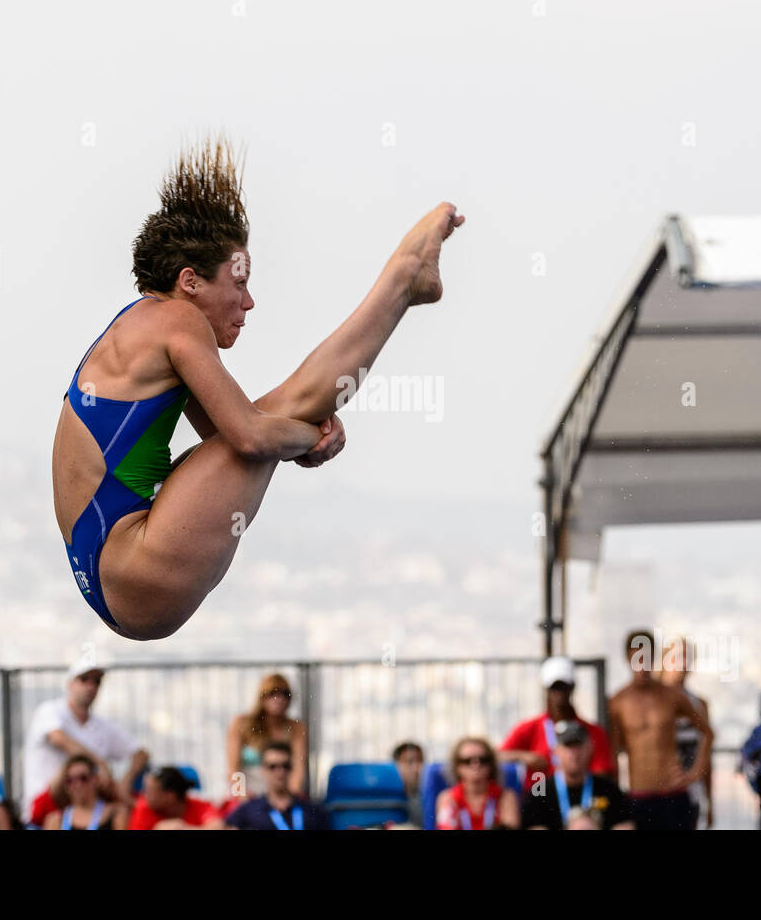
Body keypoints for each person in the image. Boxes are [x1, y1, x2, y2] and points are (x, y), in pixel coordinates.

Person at [51, 134, 466, 641]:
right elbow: (251, 437)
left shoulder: (143, 324)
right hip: (136, 571)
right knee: (289, 406)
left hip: (114, 576)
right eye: (240, 283)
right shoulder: (179, 321)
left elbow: (233, 436)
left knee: (284, 411)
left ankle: (406, 278)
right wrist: (307, 440)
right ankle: (404, 278)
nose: (249, 303)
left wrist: (290, 438)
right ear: (191, 282)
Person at [21, 656, 148, 826]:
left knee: (137, 807)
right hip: (50, 805)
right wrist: (100, 764)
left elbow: (141, 753)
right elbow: (59, 739)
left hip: (90, 808)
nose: (91, 686)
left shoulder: (103, 726)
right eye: (84, 679)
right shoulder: (50, 711)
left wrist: (126, 781)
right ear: (70, 683)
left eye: (97, 682)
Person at [609, 629, 713, 830]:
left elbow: (707, 733)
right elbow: (614, 751)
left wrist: (694, 773)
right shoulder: (618, 702)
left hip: (674, 793)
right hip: (639, 795)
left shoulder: (671, 696)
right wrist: (617, 796)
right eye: (636, 659)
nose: (642, 666)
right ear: (628, 659)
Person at [499, 655, 614, 791]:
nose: (559, 693)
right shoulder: (529, 728)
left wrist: (575, 769)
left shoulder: (593, 732)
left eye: (563, 687)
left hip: (577, 800)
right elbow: (496, 755)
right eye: (554, 687)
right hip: (539, 799)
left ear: (572, 687)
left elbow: (602, 773)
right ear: (545, 689)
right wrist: (525, 757)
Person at [521, 720, 635, 830]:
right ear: (556, 751)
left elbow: (625, 825)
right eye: (568, 746)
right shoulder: (539, 792)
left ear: (590, 748)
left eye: (578, 745)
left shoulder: (609, 789)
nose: (574, 753)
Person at [226, 673, 308, 798]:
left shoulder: (296, 727)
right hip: (247, 796)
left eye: (285, 694)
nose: (279, 699)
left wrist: (288, 798)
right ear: (262, 697)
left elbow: (298, 769)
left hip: (282, 796)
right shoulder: (241, 723)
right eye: (273, 693)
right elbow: (233, 767)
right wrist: (241, 795)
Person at [661, 637, 714, 829]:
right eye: (677, 657)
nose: (683, 663)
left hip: (690, 792)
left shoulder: (699, 704)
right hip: (656, 790)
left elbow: (707, 752)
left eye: (687, 657)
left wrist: (709, 800)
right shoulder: (653, 700)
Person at [225, 742, 330, 830]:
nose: (280, 772)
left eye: (285, 766)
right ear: (263, 770)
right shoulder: (249, 810)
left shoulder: (312, 809)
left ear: (292, 768)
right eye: (272, 766)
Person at [435, 737, 520, 831]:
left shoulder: (506, 797)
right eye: (467, 761)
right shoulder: (448, 798)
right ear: (457, 766)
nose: (476, 765)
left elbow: (510, 827)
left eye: (482, 760)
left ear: (491, 765)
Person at [43, 755, 129, 830]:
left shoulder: (116, 813)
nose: (77, 785)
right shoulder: (55, 820)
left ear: (96, 779)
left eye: (83, 778)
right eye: (69, 780)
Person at [128, 767, 225, 830]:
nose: (143, 794)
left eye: (149, 791)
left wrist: (182, 828)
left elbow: (217, 827)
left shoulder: (200, 806)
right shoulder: (143, 808)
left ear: (169, 796)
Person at [392, 742, 425, 827]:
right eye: (410, 762)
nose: (417, 767)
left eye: (420, 761)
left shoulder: (428, 797)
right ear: (396, 765)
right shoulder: (385, 798)